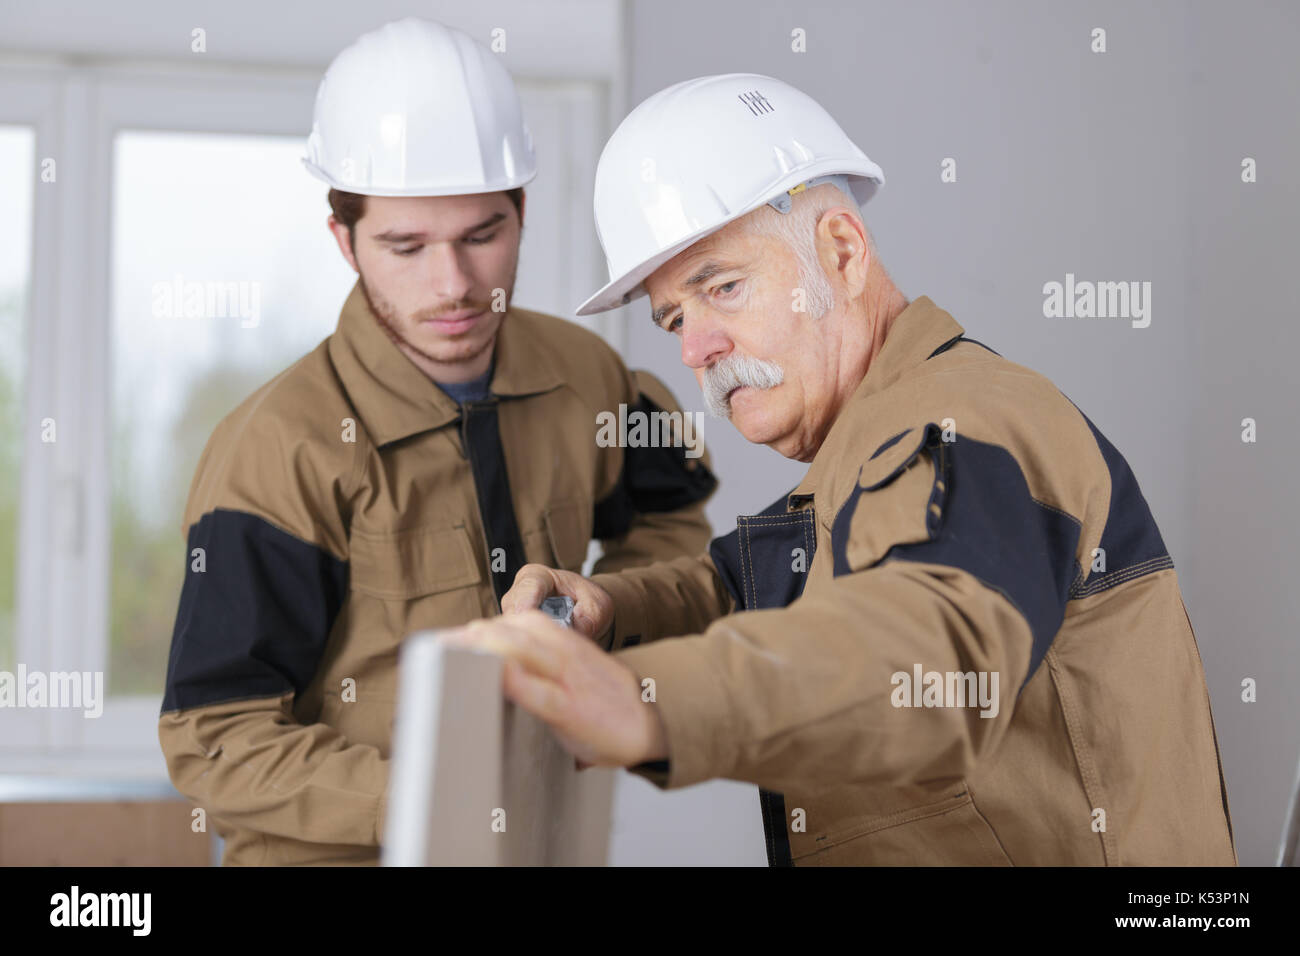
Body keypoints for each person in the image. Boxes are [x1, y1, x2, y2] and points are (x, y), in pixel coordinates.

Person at [449, 73, 1237, 866]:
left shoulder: (966, 426)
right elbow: (747, 589)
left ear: (841, 252)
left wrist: (652, 701)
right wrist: (609, 610)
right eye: (676, 319)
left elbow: (926, 658)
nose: (697, 349)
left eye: (723, 287)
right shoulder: (867, 451)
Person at [157, 20, 717, 866]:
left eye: (481, 236)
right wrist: (430, 803)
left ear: (522, 212)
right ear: (343, 240)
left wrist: (610, 606)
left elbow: (676, 533)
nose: (454, 285)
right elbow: (212, 734)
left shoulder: (591, 377)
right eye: (406, 246)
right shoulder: (280, 449)